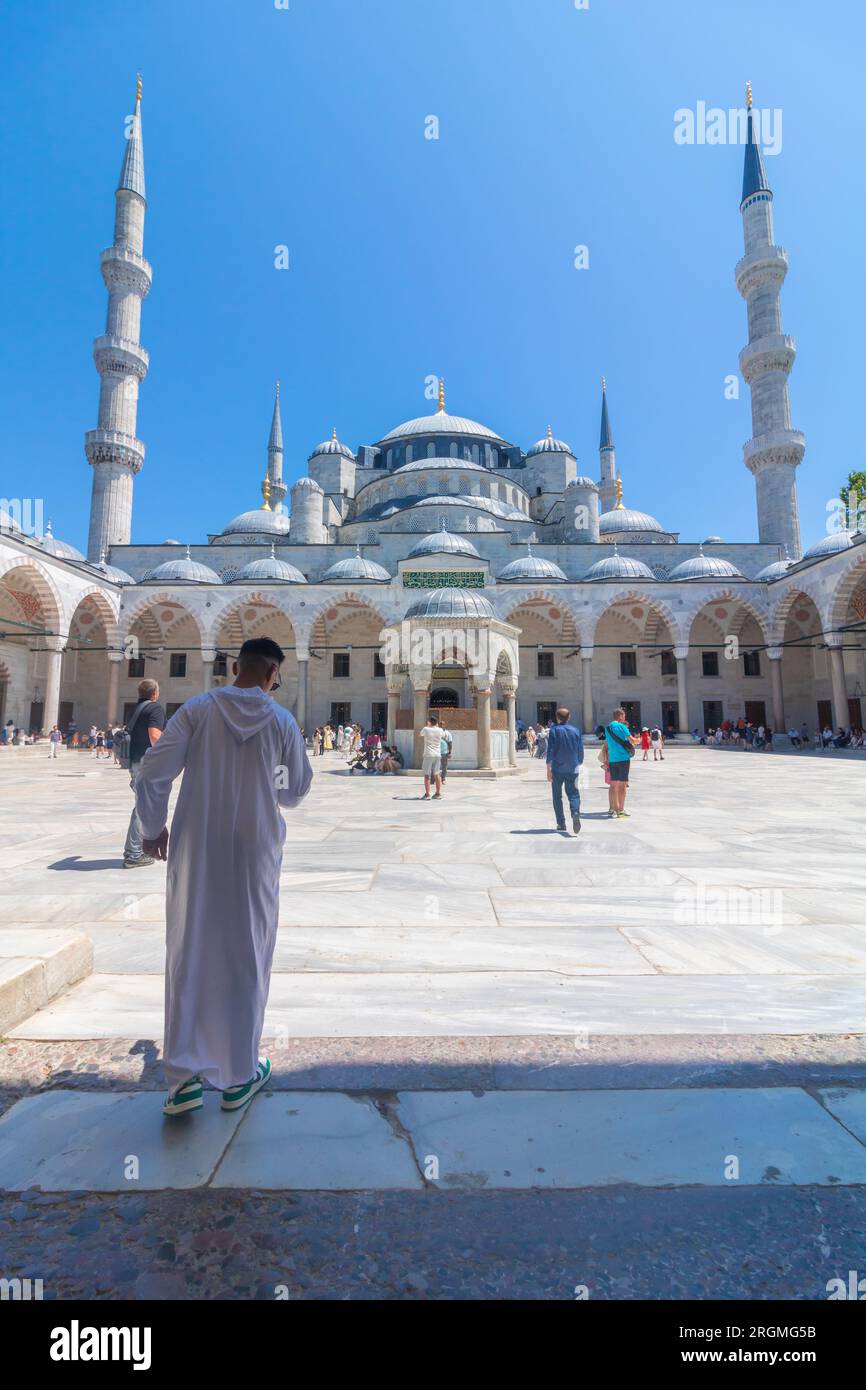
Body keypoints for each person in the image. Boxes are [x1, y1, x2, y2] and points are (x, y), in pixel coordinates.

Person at [136, 637, 312, 1117]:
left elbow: (154, 772)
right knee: (248, 950)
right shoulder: (281, 721)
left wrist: (153, 829)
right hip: (254, 851)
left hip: (197, 848)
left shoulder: (197, 709)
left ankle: (183, 1081)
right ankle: (239, 1075)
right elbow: (292, 792)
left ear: (235, 666)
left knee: (189, 947)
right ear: (274, 674)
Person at [123, 679, 166, 868]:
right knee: (143, 807)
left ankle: (134, 851)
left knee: (142, 806)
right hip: (145, 763)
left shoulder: (135, 709)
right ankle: (133, 853)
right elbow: (155, 736)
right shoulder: (155, 709)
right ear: (155, 694)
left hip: (134, 761)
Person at [546, 707, 584, 834]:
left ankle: (561, 823)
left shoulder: (554, 730)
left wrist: (548, 768)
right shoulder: (576, 731)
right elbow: (580, 750)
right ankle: (575, 812)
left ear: (557, 718)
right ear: (569, 717)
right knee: (573, 793)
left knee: (557, 796)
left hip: (557, 768)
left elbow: (550, 749)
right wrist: (579, 763)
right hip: (572, 767)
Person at [604, 706, 637, 819]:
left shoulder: (607, 728)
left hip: (612, 758)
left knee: (613, 784)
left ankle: (612, 808)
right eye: (624, 716)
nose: (624, 718)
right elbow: (632, 741)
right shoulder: (622, 727)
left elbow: (607, 743)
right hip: (623, 758)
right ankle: (621, 810)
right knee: (622, 785)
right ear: (621, 716)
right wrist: (639, 739)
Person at [420, 713, 444, 800]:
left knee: (427, 774)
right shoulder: (440, 730)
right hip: (437, 754)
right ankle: (438, 793)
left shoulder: (426, 729)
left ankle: (427, 794)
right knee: (437, 773)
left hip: (428, 754)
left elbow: (420, 734)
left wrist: (428, 726)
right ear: (436, 722)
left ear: (429, 722)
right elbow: (443, 735)